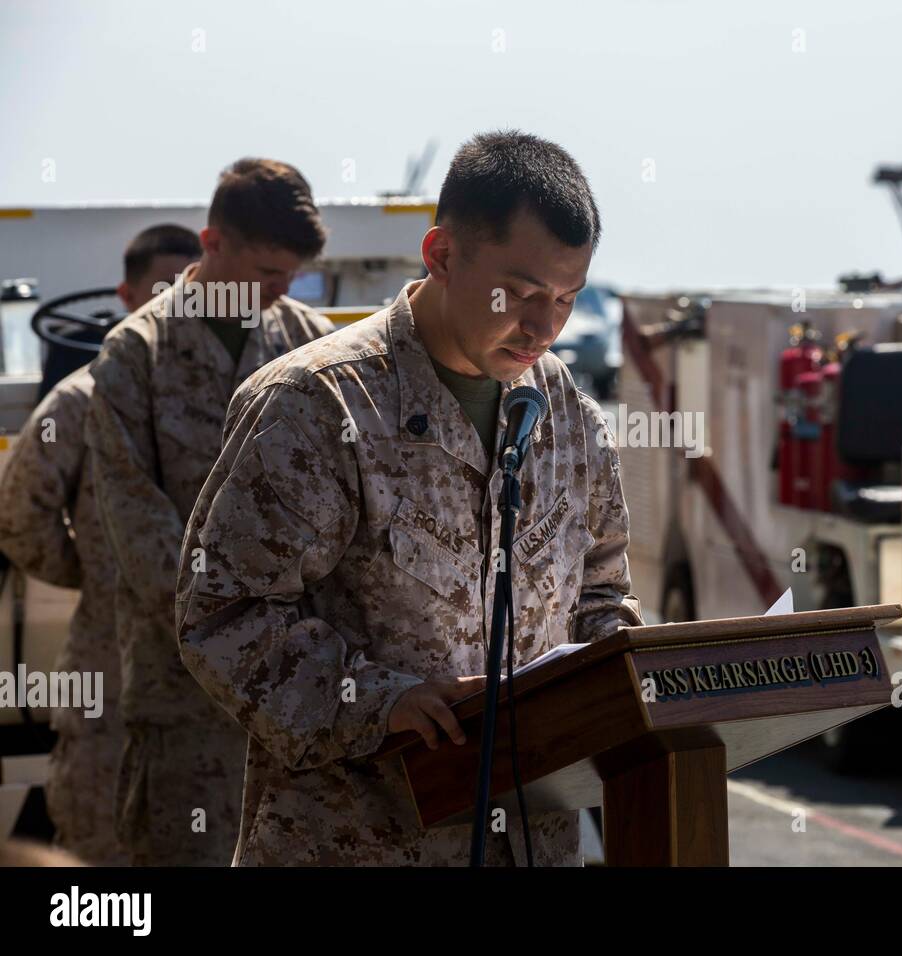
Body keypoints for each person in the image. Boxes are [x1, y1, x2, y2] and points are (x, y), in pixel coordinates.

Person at [175, 130, 641, 866]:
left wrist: (626, 669)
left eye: (565, 298)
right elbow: (224, 613)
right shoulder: (317, 406)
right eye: (517, 294)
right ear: (442, 255)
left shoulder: (569, 418)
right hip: (356, 839)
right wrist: (378, 699)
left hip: (532, 840)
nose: (544, 326)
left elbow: (604, 594)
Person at [87, 159, 334, 866]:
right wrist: (240, 639)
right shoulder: (136, 356)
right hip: (184, 701)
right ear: (211, 243)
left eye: (290, 275)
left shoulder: (311, 345)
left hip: (298, 700)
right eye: (264, 271)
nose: (279, 290)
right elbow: (141, 532)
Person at [0, 224, 201, 865]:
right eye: (162, 289)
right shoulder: (82, 399)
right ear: (126, 294)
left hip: (207, 698)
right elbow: (19, 519)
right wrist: (103, 571)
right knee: (100, 862)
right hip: (108, 688)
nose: (176, 304)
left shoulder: (240, 396)